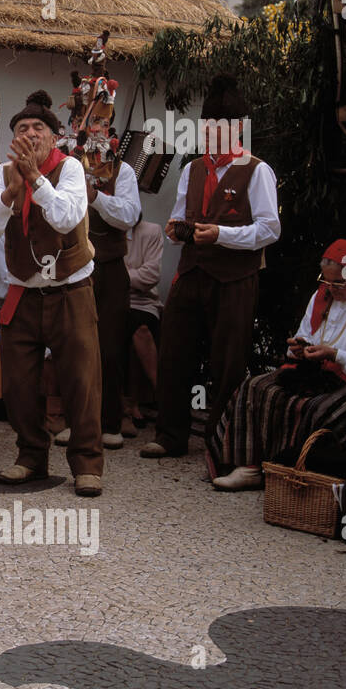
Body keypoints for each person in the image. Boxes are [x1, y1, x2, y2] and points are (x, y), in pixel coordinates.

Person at [143, 75, 280, 460]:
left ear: (237, 130)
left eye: (219, 126)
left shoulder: (257, 171)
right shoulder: (193, 169)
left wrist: (220, 235)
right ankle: (170, 435)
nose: (210, 132)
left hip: (235, 279)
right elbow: (177, 219)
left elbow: (270, 230)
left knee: (228, 361)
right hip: (191, 272)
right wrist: (175, 231)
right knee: (174, 352)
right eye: (206, 125)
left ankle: (221, 444)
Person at [0, 90, 103, 497]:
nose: (29, 134)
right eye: (22, 129)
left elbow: (66, 217)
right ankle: (31, 456)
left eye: (38, 128)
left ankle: (86, 463)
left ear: (54, 136)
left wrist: (35, 179)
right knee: (17, 382)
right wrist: (13, 190)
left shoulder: (69, 170)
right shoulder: (1, 173)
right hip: (24, 291)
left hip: (71, 290)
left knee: (80, 379)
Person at [208, 240, 346, 490]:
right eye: (326, 280)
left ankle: (296, 477)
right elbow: (306, 335)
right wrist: (299, 347)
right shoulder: (322, 296)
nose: (330, 288)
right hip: (316, 373)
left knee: (317, 409)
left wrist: (334, 354)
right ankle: (250, 466)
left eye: (338, 282)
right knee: (254, 387)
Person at [69, 89, 140, 450]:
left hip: (109, 268)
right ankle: (76, 421)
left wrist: (95, 196)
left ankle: (110, 421)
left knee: (110, 346)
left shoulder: (122, 170)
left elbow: (130, 215)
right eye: (86, 120)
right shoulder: (66, 163)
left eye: (100, 121)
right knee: (74, 346)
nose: (93, 127)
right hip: (72, 268)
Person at [123, 214, 163, 433]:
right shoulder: (103, 231)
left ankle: (160, 394)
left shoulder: (152, 231)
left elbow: (151, 275)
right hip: (110, 300)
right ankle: (129, 405)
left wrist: (118, 277)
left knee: (141, 327)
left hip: (143, 300)